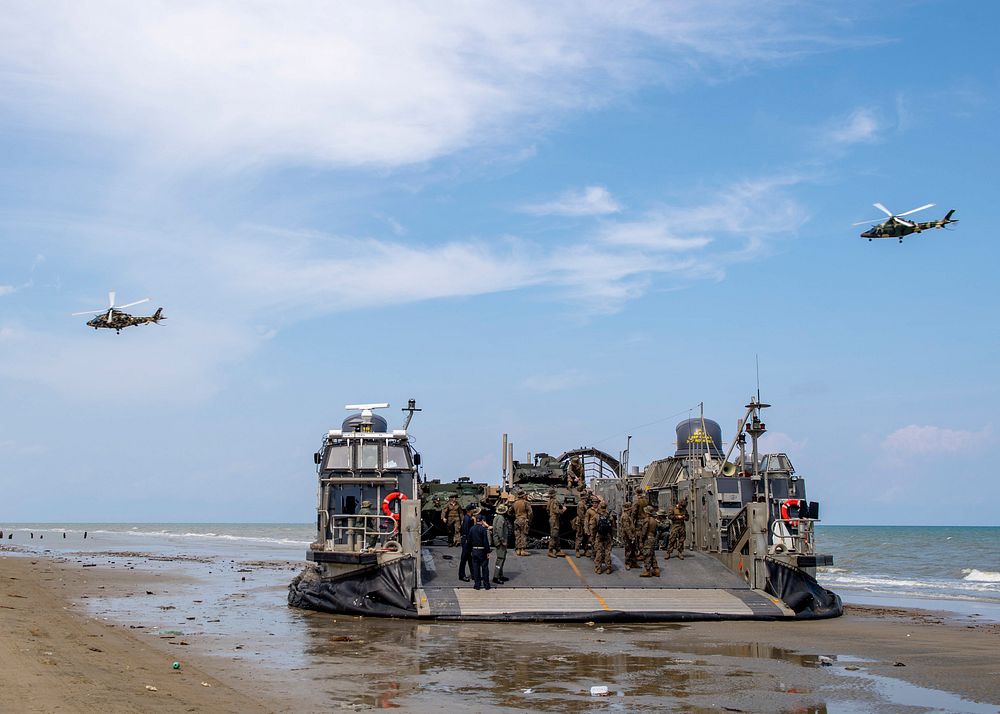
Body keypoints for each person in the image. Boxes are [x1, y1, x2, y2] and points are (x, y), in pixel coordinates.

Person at [468, 513, 492, 590]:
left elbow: (469, 541)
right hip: (482, 551)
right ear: (482, 521)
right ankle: (486, 585)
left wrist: (470, 550)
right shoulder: (483, 529)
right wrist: (488, 551)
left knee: (476, 568)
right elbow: (485, 541)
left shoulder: (471, 529)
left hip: (474, 550)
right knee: (485, 568)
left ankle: (477, 585)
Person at [638, 506, 661, 577]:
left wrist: (641, 540)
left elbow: (644, 531)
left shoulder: (647, 520)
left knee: (647, 554)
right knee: (652, 554)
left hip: (647, 538)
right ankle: (656, 569)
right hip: (652, 537)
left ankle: (647, 571)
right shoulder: (654, 520)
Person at [593, 502, 615, 574]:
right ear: (606, 507)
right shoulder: (610, 516)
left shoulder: (596, 516)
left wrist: (593, 537)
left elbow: (593, 527)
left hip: (599, 536)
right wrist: (611, 536)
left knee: (599, 552)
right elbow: (612, 527)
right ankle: (608, 568)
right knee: (607, 552)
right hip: (607, 536)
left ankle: (598, 568)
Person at [491, 503, 510, 584]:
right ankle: (496, 576)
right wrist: (502, 540)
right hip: (500, 542)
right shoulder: (501, 518)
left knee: (502, 558)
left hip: (498, 541)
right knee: (500, 559)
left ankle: (500, 575)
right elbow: (499, 530)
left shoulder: (497, 517)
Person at [458, 505, 476, 581]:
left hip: (468, 540)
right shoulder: (467, 519)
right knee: (464, 558)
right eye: (473, 510)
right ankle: (461, 575)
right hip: (466, 541)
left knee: (470, 559)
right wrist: (468, 541)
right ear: (470, 510)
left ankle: (474, 574)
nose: (474, 511)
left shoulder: (469, 518)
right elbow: (466, 531)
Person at [546, 489, 566, 557]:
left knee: (556, 535)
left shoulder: (549, 501)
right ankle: (550, 550)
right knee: (554, 535)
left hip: (552, 518)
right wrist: (563, 510)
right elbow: (556, 510)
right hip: (554, 519)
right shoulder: (554, 501)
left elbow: (548, 510)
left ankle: (558, 550)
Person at [512, 490, 532, 556]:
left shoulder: (514, 503)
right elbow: (530, 512)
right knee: (523, 534)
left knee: (517, 535)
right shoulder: (526, 503)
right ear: (523, 496)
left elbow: (509, 511)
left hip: (517, 520)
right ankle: (523, 550)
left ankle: (518, 550)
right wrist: (529, 519)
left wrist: (514, 515)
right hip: (523, 520)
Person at [620, 502, 638, 570]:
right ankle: (627, 563)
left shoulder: (628, 515)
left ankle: (633, 562)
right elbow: (627, 528)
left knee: (633, 549)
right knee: (628, 549)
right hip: (627, 536)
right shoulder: (625, 516)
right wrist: (631, 537)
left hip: (631, 534)